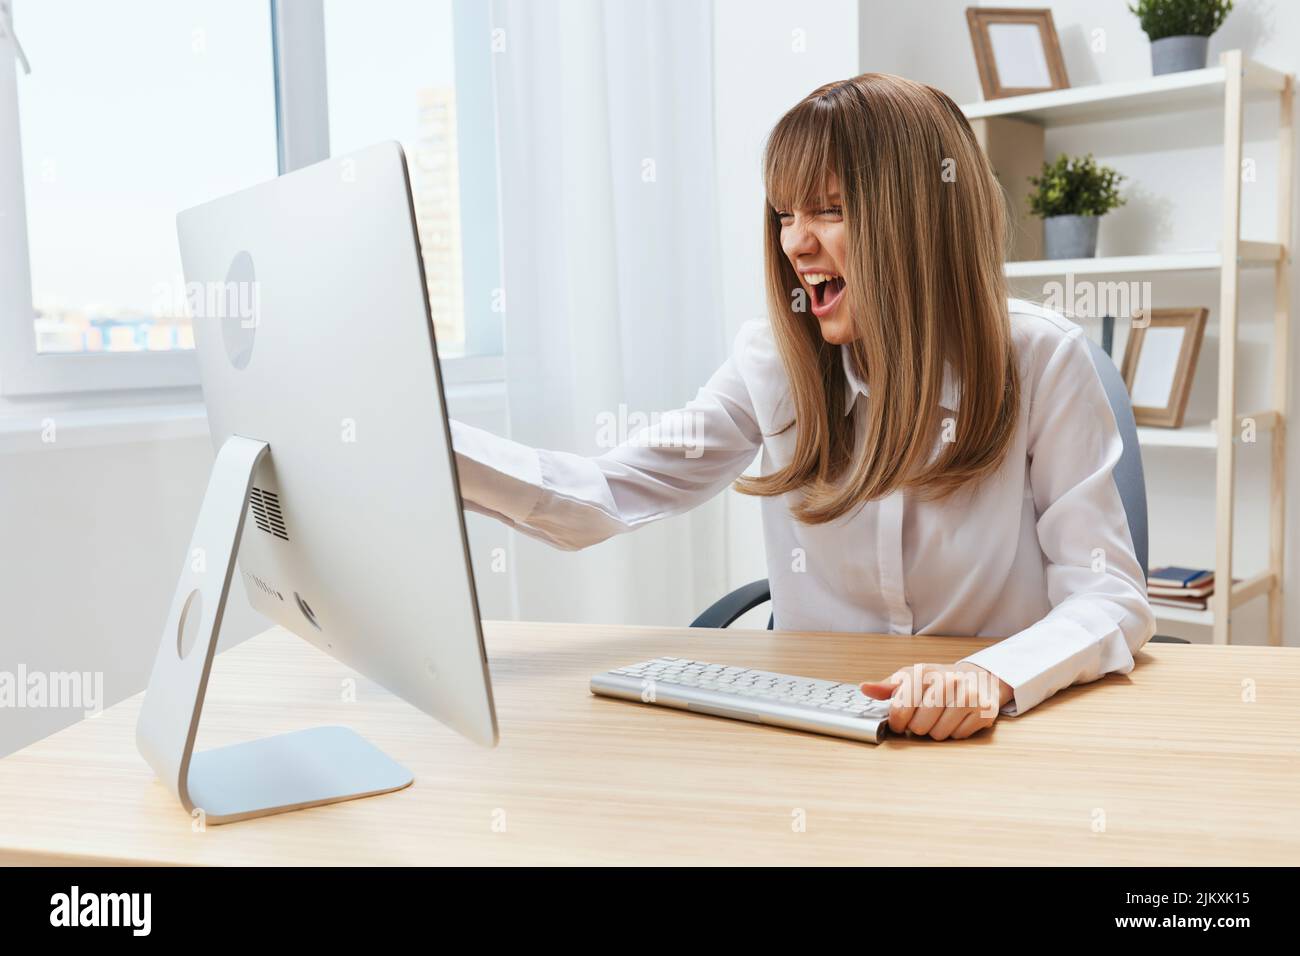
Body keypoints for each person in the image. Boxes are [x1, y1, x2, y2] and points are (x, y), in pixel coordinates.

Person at [450, 72, 1155, 741]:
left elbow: (1109, 597)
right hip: (816, 727)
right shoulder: (774, 365)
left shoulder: (1040, 360)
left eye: (829, 210)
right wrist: (432, 452)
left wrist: (986, 676)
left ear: (919, 219)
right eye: (786, 214)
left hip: (993, 738)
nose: (795, 242)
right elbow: (607, 494)